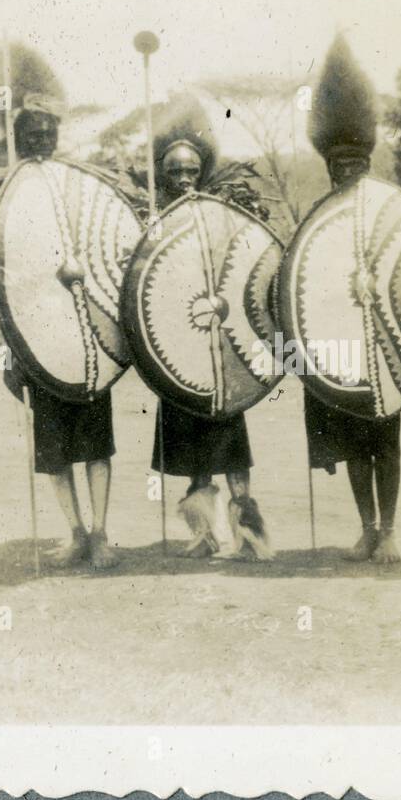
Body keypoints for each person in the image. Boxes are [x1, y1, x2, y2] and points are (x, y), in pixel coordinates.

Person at [0, 42, 119, 570]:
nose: (41, 138)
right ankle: (75, 531)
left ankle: (101, 532)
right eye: (30, 130)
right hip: (34, 335)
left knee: (96, 438)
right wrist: (14, 333)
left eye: (48, 130)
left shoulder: (82, 186)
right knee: (54, 444)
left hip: (86, 335)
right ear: (15, 133)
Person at [143, 96, 269, 558]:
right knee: (193, 449)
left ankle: (248, 533)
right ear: (164, 175)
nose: (183, 179)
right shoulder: (154, 226)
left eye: (190, 171)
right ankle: (203, 533)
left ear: (202, 172)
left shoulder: (223, 218)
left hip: (222, 350)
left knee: (230, 442)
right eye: (174, 172)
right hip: (175, 351)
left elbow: (242, 271)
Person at [299, 34, 401, 564]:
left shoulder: (392, 213)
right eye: (339, 166)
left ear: (368, 164)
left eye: (356, 165)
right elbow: (304, 282)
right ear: (329, 168)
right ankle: (366, 528)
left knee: (386, 442)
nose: (348, 174)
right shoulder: (317, 217)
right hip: (340, 349)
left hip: (387, 347)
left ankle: (390, 533)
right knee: (355, 444)